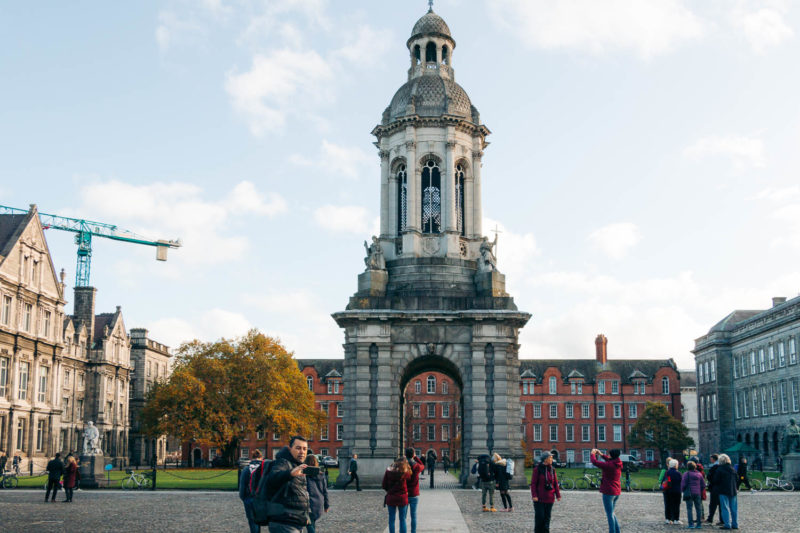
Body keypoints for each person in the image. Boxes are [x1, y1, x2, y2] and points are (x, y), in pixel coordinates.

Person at [264, 436, 311, 533]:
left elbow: (300, 493)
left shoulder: (297, 465)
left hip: (295, 521)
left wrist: (305, 516)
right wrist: (290, 473)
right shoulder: (283, 462)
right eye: (298, 448)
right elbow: (273, 478)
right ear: (290, 449)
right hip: (284, 522)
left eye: (304, 449)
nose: (302, 452)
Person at [590, 448, 622, 533]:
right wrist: (601, 454)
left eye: (609, 454)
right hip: (616, 491)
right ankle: (617, 531)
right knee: (612, 513)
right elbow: (609, 459)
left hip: (609, 492)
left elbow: (595, 462)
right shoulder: (617, 462)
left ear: (612, 456)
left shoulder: (609, 465)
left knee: (609, 514)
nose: (608, 455)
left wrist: (592, 454)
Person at [530, 451, 561, 533]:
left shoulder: (552, 469)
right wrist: (534, 495)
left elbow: (555, 483)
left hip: (550, 498)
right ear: (545, 459)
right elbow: (533, 484)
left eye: (552, 457)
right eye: (550, 458)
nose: (552, 459)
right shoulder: (537, 469)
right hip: (539, 498)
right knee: (540, 517)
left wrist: (558, 495)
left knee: (547, 518)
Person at [382, 457, 411, 533]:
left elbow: (384, 485)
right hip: (402, 497)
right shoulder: (405, 472)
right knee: (402, 519)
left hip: (391, 497)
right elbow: (410, 482)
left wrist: (390, 490)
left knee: (391, 519)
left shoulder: (389, 471)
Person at [239, 449, 264, 533]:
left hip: (250, 498)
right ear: (261, 457)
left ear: (252, 458)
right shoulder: (266, 468)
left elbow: (242, 488)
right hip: (263, 498)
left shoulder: (246, 469)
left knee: (253, 522)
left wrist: (244, 499)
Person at [713, 454, 738, 530]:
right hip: (733, 490)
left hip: (723, 490)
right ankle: (735, 524)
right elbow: (737, 479)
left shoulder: (720, 469)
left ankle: (727, 524)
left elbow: (716, 480)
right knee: (733, 508)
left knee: (725, 508)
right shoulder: (733, 469)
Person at [305, 455, 329, 533]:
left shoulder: (305, 475)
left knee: (309, 524)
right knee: (312, 523)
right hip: (319, 502)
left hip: (309, 504)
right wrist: (326, 505)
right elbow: (325, 491)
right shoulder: (321, 475)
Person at [404, 448, 425, 533]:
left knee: (403, 517)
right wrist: (415, 457)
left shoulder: (402, 466)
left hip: (404, 493)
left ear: (405, 454)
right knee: (413, 516)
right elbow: (422, 465)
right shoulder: (416, 467)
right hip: (414, 494)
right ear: (413, 455)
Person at [681, 461, 704, 529]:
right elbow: (703, 485)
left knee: (689, 509)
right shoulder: (699, 474)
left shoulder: (686, 474)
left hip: (689, 493)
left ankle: (691, 524)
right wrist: (699, 490)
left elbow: (683, 484)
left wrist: (683, 490)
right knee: (698, 509)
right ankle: (699, 524)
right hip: (697, 493)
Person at [663, 458, 683, 525]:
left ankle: (667, 519)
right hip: (676, 491)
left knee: (668, 505)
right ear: (675, 465)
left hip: (667, 491)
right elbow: (681, 482)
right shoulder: (678, 473)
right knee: (676, 505)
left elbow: (665, 480)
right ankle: (676, 519)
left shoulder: (667, 472)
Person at [705, 454, 722, 526]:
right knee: (721, 505)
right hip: (722, 488)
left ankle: (710, 518)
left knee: (713, 504)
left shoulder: (714, 467)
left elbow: (709, 477)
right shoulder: (722, 466)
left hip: (714, 487)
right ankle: (722, 519)